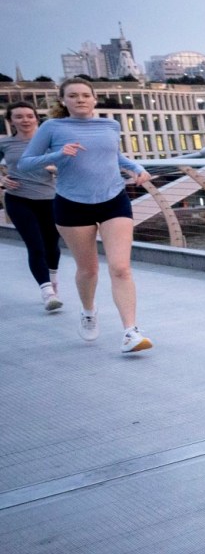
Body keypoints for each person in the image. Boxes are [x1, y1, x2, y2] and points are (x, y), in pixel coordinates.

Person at [16, 78, 152, 351]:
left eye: (85, 95)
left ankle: (131, 332)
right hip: (72, 203)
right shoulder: (52, 127)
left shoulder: (110, 125)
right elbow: (25, 164)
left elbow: (115, 157)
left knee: (120, 268)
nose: (80, 99)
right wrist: (58, 155)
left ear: (94, 99)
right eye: (73, 95)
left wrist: (137, 168)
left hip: (114, 200)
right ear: (63, 100)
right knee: (88, 270)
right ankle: (88, 311)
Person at [2, 102, 65, 311]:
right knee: (35, 245)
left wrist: (54, 168)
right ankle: (47, 293)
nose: (25, 120)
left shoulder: (50, 143)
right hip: (18, 199)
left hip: (50, 200)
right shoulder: (5, 143)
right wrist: (2, 180)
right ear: (10, 121)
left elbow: (69, 167)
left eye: (29, 116)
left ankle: (53, 281)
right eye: (19, 116)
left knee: (51, 245)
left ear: (37, 118)